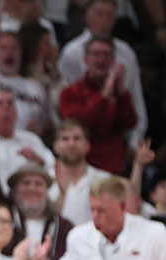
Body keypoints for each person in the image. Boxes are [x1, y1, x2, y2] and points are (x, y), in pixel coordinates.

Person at [57, 35, 137, 175]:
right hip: (81, 169)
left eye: (106, 55)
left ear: (113, 60)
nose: (101, 60)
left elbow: (130, 122)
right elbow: (80, 123)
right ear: (86, 59)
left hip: (114, 169)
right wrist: (104, 96)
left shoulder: (119, 93)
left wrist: (121, 92)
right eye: (96, 54)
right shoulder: (70, 93)